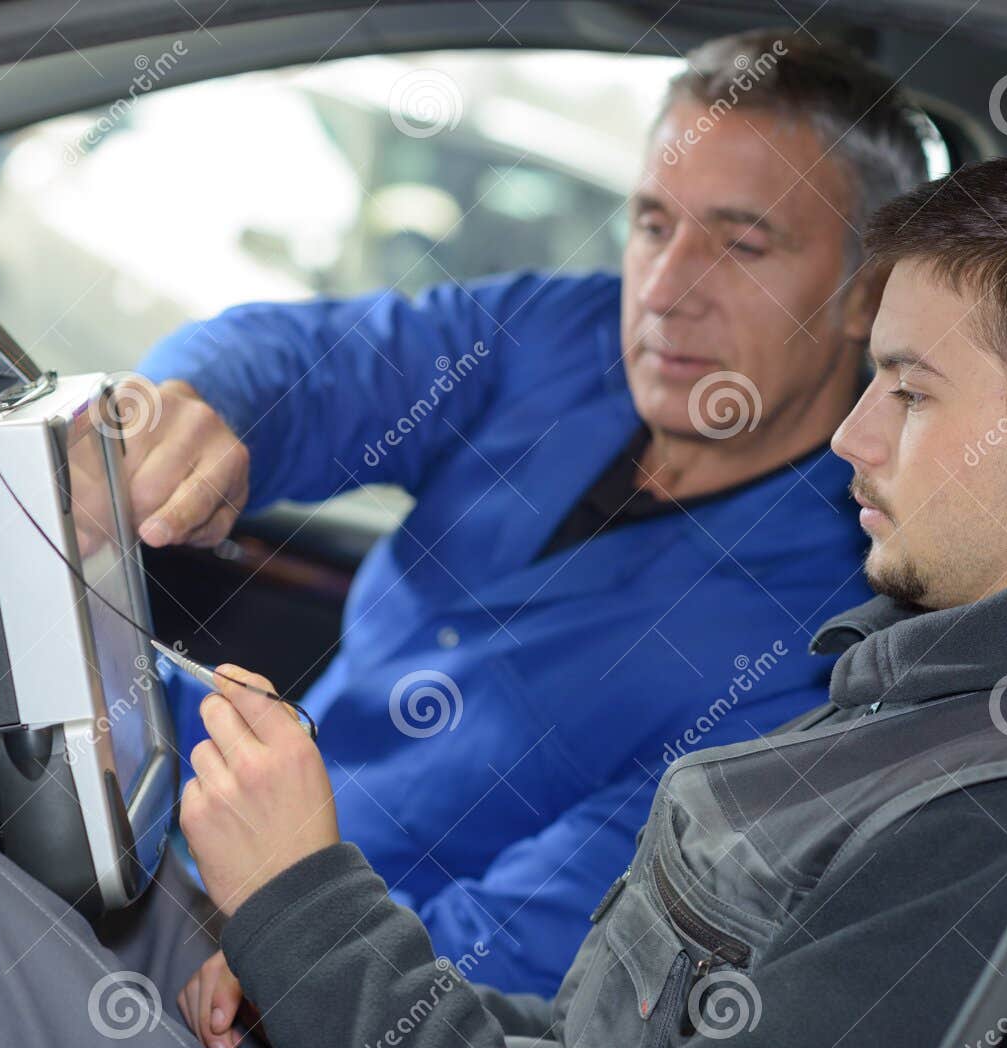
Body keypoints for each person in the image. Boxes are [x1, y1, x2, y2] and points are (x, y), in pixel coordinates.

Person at [0, 153, 1007, 1048]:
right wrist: (197, 409)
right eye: (652, 223)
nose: (858, 441)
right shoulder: (913, 689)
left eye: (910, 393)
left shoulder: (1004, 807)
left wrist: (304, 907)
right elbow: (623, 1044)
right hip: (364, 1013)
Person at [124, 29, 929, 995]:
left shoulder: (821, 647)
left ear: (864, 297)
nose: (668, 292)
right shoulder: (568, 335)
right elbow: (324, 359)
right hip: (183, 818)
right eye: (651, 225)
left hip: (289, 989)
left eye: (744, 245)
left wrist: (280, 961)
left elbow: (527, 963)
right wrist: (193, 415)